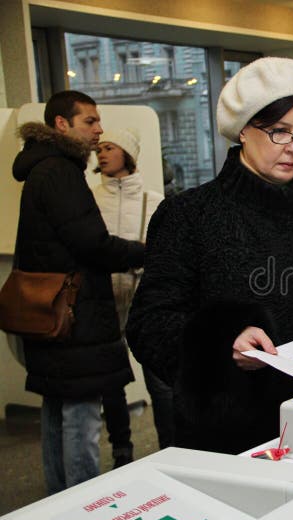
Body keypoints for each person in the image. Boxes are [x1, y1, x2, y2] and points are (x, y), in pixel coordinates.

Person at [126, 57, 293, 455]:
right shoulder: (188, 215)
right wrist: (222, 343)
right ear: (243, 131)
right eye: (279, 132)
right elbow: (149, 325)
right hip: (225, 435)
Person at [11, 90, 145, 493]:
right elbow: (91, 244)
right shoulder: (59, 172)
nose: (99, 129)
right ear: (61, 124)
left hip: (54, 313)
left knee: (57, 410)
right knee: (81, 418)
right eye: (90, 121)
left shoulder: (43, 169)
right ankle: (82, 507)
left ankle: (59, 503)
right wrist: (143, 252)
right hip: (76, 315)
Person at [91, 128, 173, 457]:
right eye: (99, 148)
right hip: (104, 297)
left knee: (160, 378)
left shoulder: (153, 201)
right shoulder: (92, 197)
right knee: (111, 381)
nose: (102, 153)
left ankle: (172, 446)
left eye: (109, 147)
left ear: (128, 153)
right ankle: (121, 450)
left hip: (145, 296)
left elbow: (167, 251)